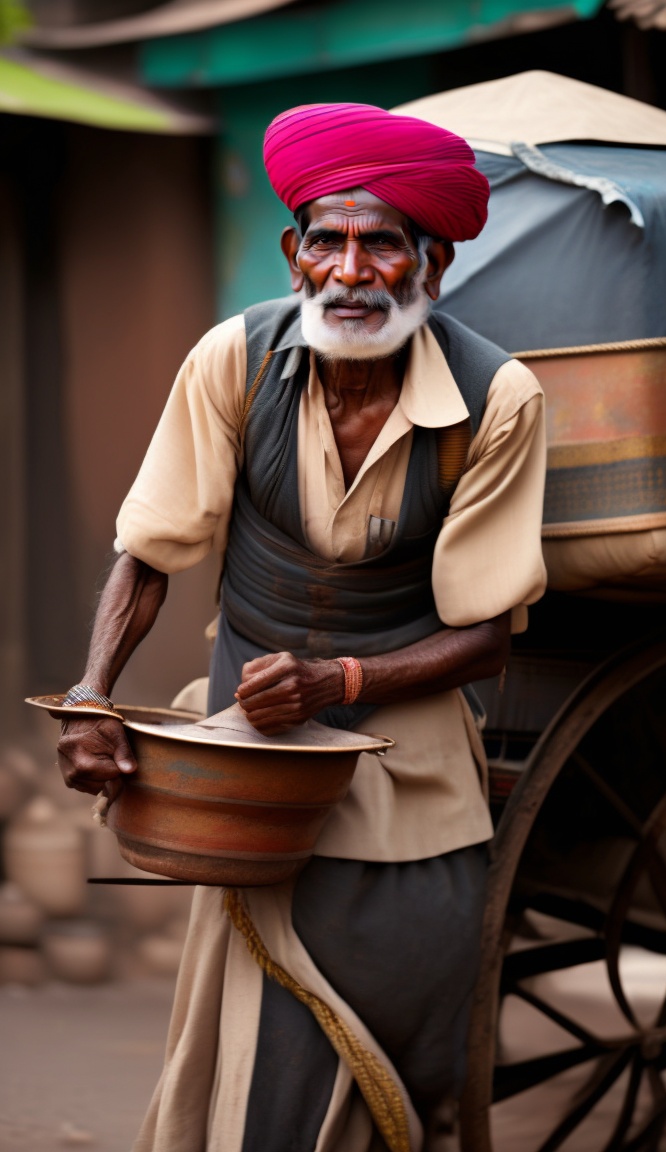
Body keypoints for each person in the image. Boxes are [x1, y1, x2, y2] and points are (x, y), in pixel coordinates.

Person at [56, 102, 547, 1152]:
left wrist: (338, 684)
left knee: (410, 966)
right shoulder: (229, 362)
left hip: (403, 733)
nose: (351, 269)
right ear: (293, 255)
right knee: (255, 1022)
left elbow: (488, 639)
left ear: (433, 265)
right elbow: (149, 550)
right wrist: (94, 694)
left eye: (382, 242)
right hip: (248, 739)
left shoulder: (498, 398)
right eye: (328, 238)